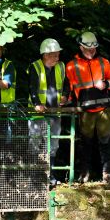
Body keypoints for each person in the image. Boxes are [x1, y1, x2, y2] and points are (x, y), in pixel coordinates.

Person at [65, 31, 110, 183]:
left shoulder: (104, 62)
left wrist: (107, 84)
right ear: (81, 47)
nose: (91, 51)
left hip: (103, 108)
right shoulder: (71, 66)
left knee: (105, 141)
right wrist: (65, 99)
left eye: (94, 48)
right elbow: (67, 87)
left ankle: (108, 173)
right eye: (88, 49)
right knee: (85, 142)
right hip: (85, 110)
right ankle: (84, 173)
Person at [27, 38, 71, 183]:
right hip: (37, 114)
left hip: (55, 112)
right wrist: (37, 104)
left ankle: (49, 176)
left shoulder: (61, 67)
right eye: (54, 55)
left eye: (58, 55)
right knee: (34, 143)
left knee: (53, 145)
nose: (57, 58)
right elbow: (32, 87)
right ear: (45, 55)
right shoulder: (35, 67)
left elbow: (66, 85)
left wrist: (65, 96)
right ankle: (33, 177)